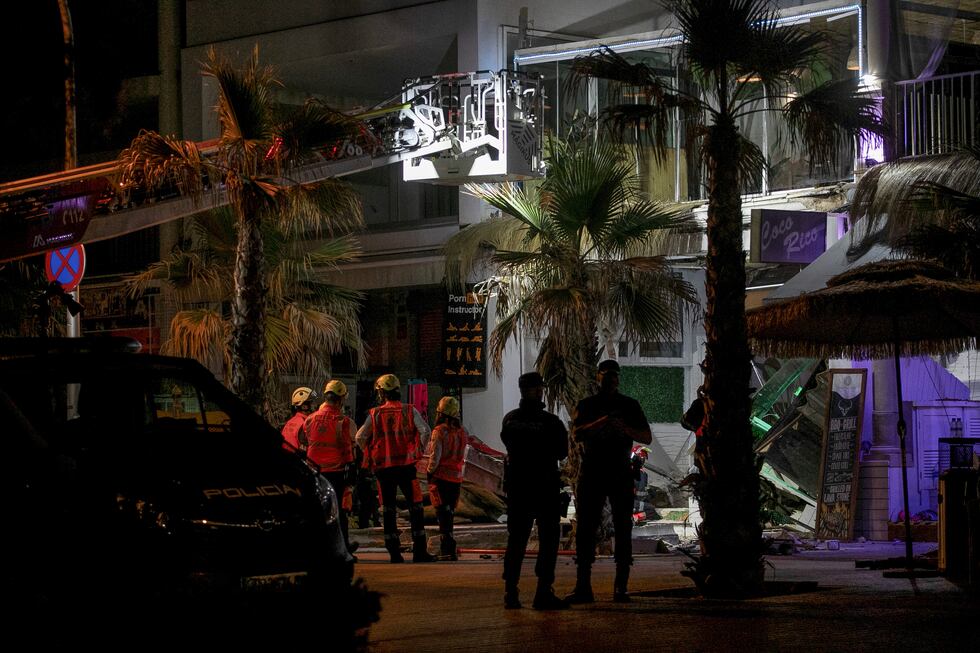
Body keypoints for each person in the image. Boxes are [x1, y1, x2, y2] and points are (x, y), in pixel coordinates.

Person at [565, 359, 652, 604]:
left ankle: (620, 587)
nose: (611, 380)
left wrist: (623, 427)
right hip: (593, 470)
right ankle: (584, 586)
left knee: (624, 528)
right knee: (586, 529)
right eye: (606, 376)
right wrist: (602, 422)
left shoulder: (629, 405)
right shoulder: (588, 405)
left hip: (620, 471)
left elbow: (646, 436)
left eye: (614, 376)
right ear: (598, 378)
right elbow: (577, 434)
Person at [500, 371, 569, 611]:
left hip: (520, 488)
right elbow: (562, 451)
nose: (540, 391)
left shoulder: (510, 420)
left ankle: (511, 591)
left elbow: (509, 443)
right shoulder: (551, 423)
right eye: (538, 387)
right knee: (549, 541)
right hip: (544, 487)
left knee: (517, 539)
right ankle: (543, 591)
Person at [356, 373, 435, 563]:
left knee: (388, 510)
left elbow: (359, 437)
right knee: (416, 508)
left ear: (381, 393)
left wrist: (373, 452)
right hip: (407, 467)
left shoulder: (374, 414)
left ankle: (394, 553)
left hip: (384, 470)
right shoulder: (410, 411)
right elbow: (425, 431)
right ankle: (419, 552)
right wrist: (417, 450)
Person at [303, 379, 359, 556]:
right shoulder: (343, 422)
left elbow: (305, 442)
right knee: (339, 513)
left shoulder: (310, 419)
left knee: (315, 512)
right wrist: (352, 473)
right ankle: (343, 549)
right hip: (336, 473)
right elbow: (349, 450)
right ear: (341, 399)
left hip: (314, 474)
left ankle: (316, 549)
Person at [425, 396, 468, 561]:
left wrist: (429, 472)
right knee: (449, 514)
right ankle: (450, 548)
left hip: (441, 478)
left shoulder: (439, 431)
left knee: (442, 514)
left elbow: (435, 457)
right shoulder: (462, 432)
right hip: (456, 479)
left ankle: (447, 548)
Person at [282, 387, 316, 452]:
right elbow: (307, 449)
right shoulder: (305, 424)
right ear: (304, 407)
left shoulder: (290, 421)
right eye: (311, 403)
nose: (314, 406)